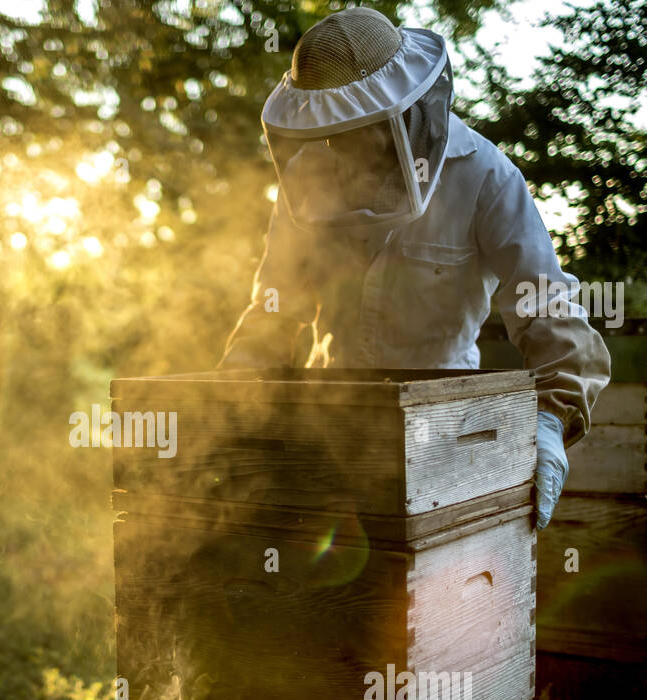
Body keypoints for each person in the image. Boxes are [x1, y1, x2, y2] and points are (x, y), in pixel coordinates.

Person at [218, 8, 612, 529]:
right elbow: (272, 308)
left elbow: (546, 307)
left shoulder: (487, 177)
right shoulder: (308, 179)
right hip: (329, 418)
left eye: (355, 131)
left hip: (446, 426)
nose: (340, 148)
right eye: (329, 133)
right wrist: (222, 409)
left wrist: (550, 419)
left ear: (403, 115)